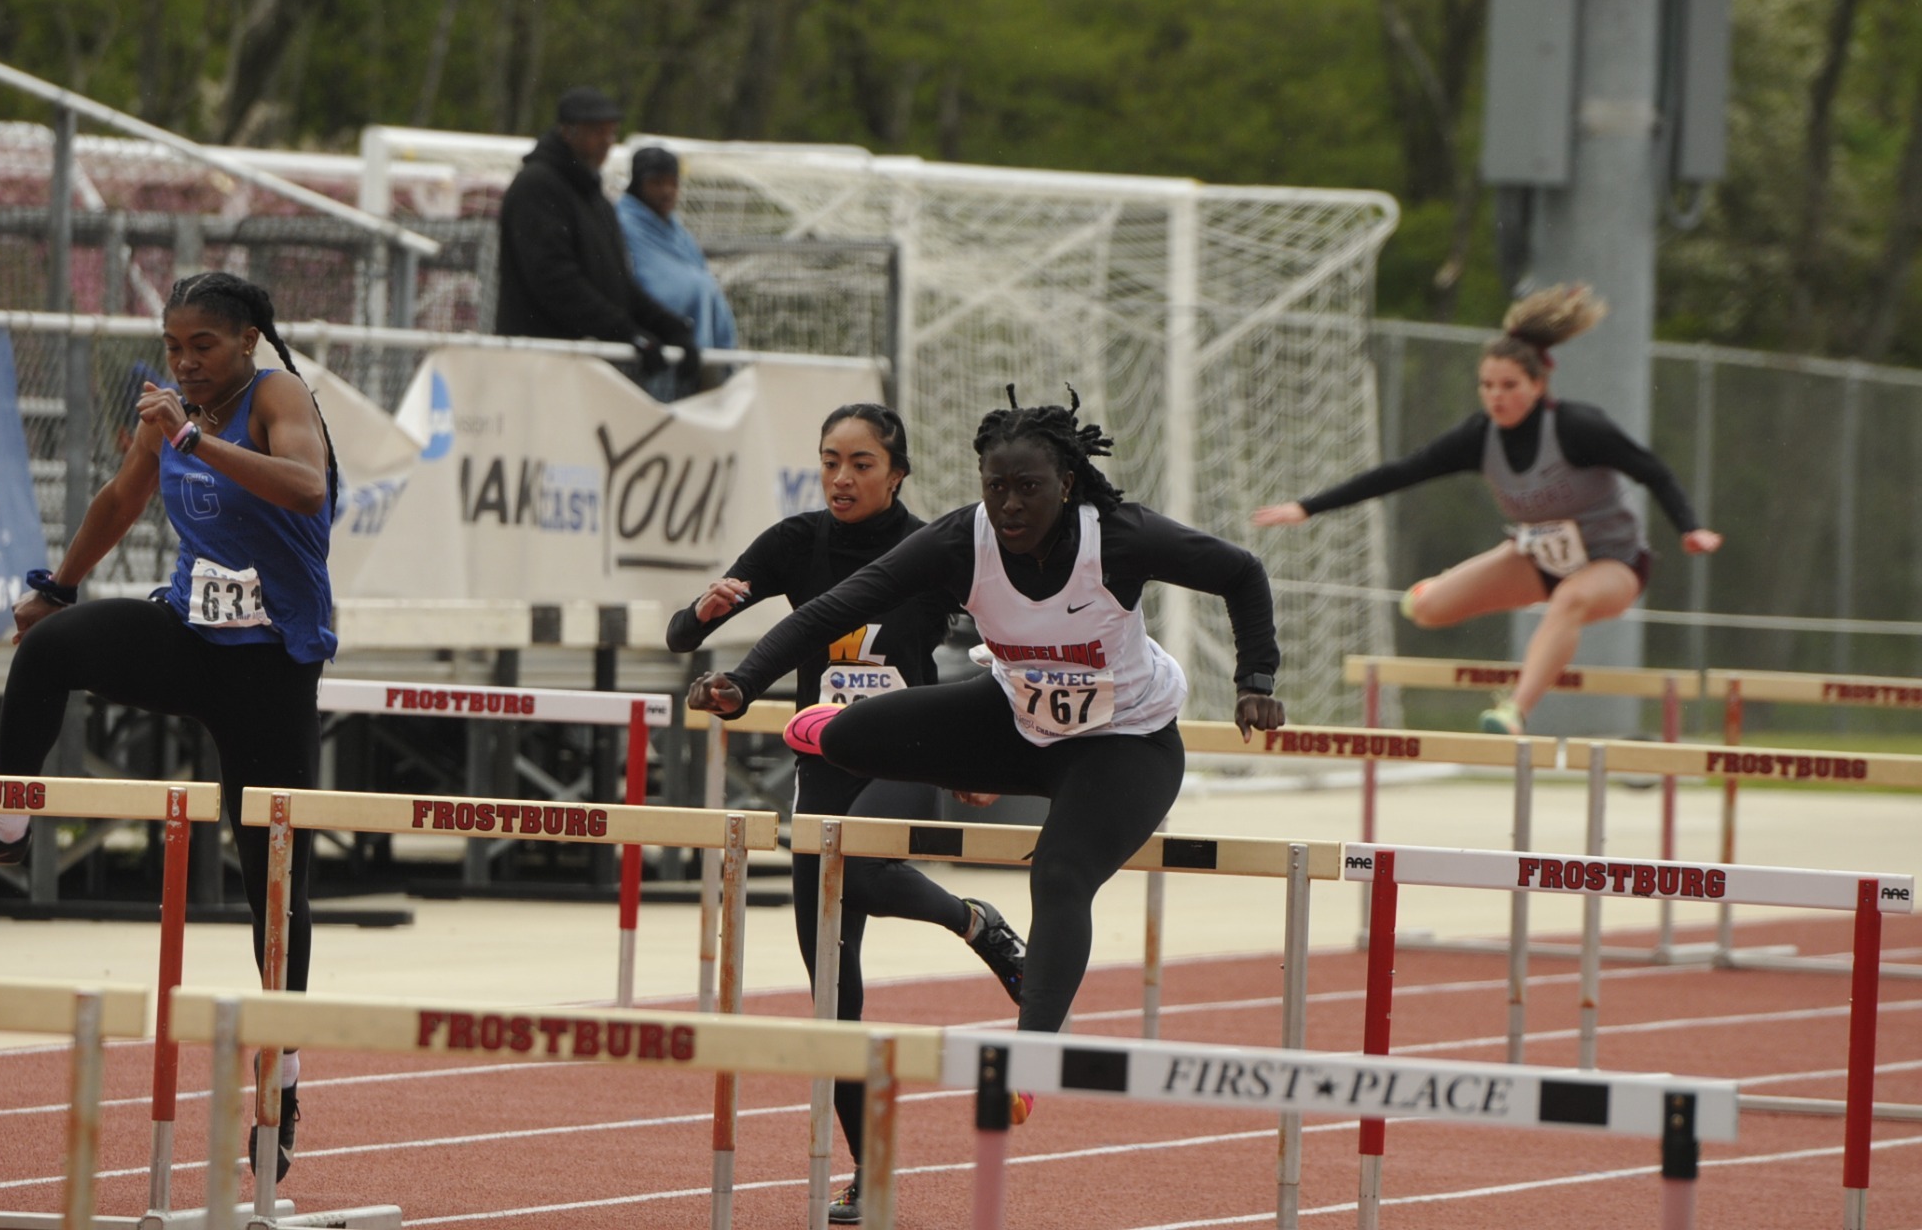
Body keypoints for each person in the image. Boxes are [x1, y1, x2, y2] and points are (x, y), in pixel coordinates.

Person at [686, 386, 1285, 1187]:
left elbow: (1241, 573)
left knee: (1060, 872)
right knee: (858, 729)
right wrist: (748, 680)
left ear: (1065, 483)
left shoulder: (1121, 537)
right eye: (995, 486)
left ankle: (1030, 1057)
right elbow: (838, 604)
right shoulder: (960, 540)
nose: (1009, 505)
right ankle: (831, 732)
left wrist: (1255, 677)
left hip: (1121, 744)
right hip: (1013, 726)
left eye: (1028, 487)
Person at [0, 271, 336, 1182]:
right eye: (174, 346)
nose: (184, 364)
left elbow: (306, 489)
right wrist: (56, 587)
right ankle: (2, 828)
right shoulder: (167, 413)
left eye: (203, 348)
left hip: (271, 670)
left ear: (248, 343)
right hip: (190, 637)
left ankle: (285, 1074)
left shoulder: (280, 397)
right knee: (53, 649)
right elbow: (119, 502)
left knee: (276, 882)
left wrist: (197, 438)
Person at [666, 401, 1025, 1224]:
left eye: (861, 464)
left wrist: (987, 748)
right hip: (822, 758)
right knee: (832, 990)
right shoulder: (798, 542)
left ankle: (975, 923)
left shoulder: (940, 547)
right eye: (831, 460)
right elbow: (684, 636)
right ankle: (870, 1172)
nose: (841, 478)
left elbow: (1009, 641)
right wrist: (710, 616)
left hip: (910, 751)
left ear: (897, 473)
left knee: (858, 863)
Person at [1251, 283, 1724, 734]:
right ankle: (1433, 590)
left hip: (1614, 564)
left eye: (1510, 385)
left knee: (1570, 600)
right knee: (1430, 610)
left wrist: (1690, 527)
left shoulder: (1578, 428)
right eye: (1487, 385)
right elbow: (1401, 472)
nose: (1497, 396)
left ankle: (1514, 711)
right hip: (1538, 557)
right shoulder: (1481, 438)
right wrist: (1307, 507)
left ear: (1538, 385)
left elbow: (1652, 470)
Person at [494, 86, 700, 393]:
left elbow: (618, 285)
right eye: (596, 132)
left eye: (611, 133)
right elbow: (554, 282)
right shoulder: (536, 188)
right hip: (540, 370)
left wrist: (669, 328)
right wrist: (625, 332)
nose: (606, 142)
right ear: (567, 132)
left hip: (586, 373)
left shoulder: (596, 199)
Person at [616, 145, 737, 401]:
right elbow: (642, 285)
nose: (667, 191)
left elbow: (699, 279)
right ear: (638, 183)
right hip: (648, 353)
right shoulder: (622, 223)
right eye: (657, 183)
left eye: (673, 183)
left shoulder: (678, 232)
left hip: (690, 352)